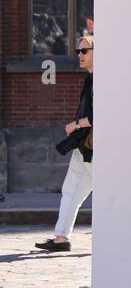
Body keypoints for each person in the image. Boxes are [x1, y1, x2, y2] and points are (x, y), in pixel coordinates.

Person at [36, 35, 94, 252]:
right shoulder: (91, 78)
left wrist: (75, 125)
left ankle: (121, 239)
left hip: (96, 148)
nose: (80, 55)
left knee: (112, 196)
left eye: (85, 51)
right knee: (70, 190)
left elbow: (100, 115)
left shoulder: (101, 79)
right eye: (79, 51)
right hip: (84, 147)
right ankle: (61, 238)